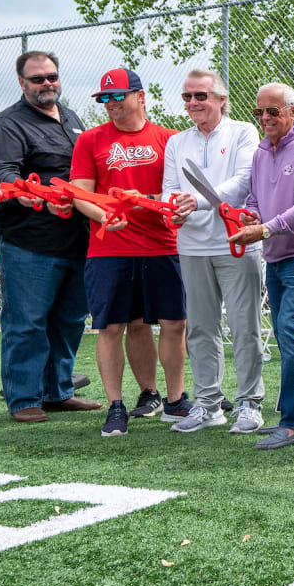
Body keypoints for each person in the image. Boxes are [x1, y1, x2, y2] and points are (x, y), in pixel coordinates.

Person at [0, 51, 100, 423]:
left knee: (69, 320)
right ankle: (23, 399)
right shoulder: (9, 124)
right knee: (27, 321)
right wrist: (42, 199)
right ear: (21, 83)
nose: (47, 83)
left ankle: (57, 392)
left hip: (76, 237)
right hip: (28, 239)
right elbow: (1, 175)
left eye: (51, 76)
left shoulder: (72, 118)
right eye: (37, 79)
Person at [68, 68, 187, 437]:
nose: (111, 104)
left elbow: (180, 192)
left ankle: (175, 398)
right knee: (112, 327)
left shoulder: (170, 139)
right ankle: (117, 405)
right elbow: (79, 193)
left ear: (141, 96)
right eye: (105, 98)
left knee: (172, 323)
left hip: (162, 245)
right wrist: (104, 215)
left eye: (118, 96)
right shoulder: (90, 140)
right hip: (109, 247)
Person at [231, 82, 294, 450]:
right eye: (260, 111)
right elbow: (256, 198)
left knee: (290, 332)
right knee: (288, 332)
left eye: (272, 111)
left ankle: (292, 425)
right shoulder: (260, 151)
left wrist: (263, 228)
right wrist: (252, 217)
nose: (265, 118)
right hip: (275, 253)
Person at [163, 69, 265, 434]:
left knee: (244, 326)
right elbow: (168, 189)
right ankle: (208, 405)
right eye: (187, 97)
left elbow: (244, 181)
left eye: (201, 96)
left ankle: (250, 403)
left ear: (221, 99)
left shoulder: (243, 132)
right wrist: (172, 208)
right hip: (190, 245)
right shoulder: (176, 142)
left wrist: (199, 201)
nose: (193, 103)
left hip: (236, 241)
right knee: (201, 329)